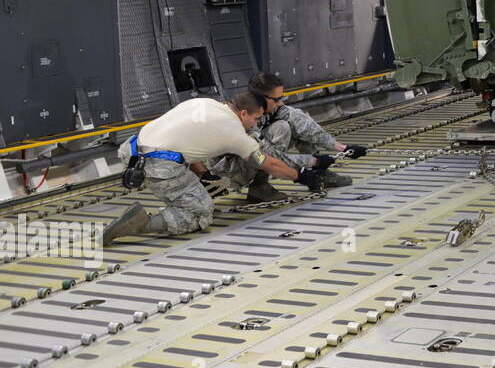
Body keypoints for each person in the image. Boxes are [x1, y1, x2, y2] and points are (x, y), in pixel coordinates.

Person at [103, 92, 320, 243]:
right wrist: (299, 176)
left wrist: (203, 174)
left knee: (193, 195)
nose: (255, 124)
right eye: (255, 118)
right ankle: (140, 223)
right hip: (158, 164)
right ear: (243, 113)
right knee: (200, 214)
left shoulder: (203, 103)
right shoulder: (235, 133)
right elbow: (270, 164)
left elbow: (187, 139)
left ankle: (176, 205)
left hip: (132, 149)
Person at [209, 71, 368, 203]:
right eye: (276, 99)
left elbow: (302, 123)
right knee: (282, 129)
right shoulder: (245, 119)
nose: (280, 103)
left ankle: (319, 175)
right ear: (260, 98)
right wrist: (312, 163)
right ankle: (259, 187)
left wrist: (342, 148)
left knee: (293, 125)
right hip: (228, 172)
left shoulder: (268, 108)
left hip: (253, 158)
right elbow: (270, 156)